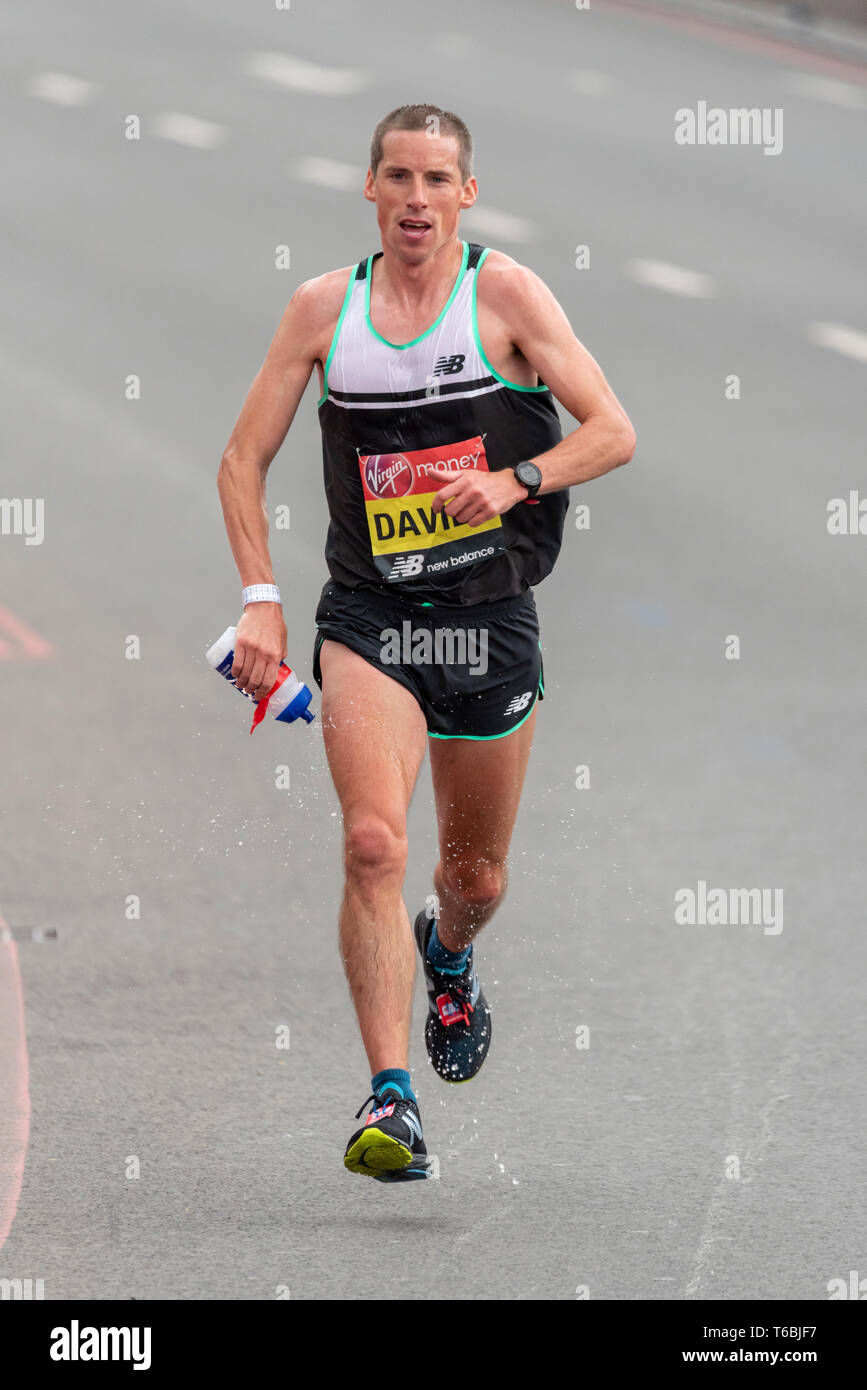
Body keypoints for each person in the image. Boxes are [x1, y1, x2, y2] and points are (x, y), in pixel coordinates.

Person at [217, 104, 635, 1182]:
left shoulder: (506, 296)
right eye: (397, 177)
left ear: (466, 194)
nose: (415, 198)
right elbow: (240, 460)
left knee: (475, 876)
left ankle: (447, 952)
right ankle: (391, 1099)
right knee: (372, 843)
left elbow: (612, 431)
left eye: (436, 180)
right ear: (369, 188)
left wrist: (513, 480)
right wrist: (261, 597)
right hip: (371, 619)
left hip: (489, 620)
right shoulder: (324, 310)